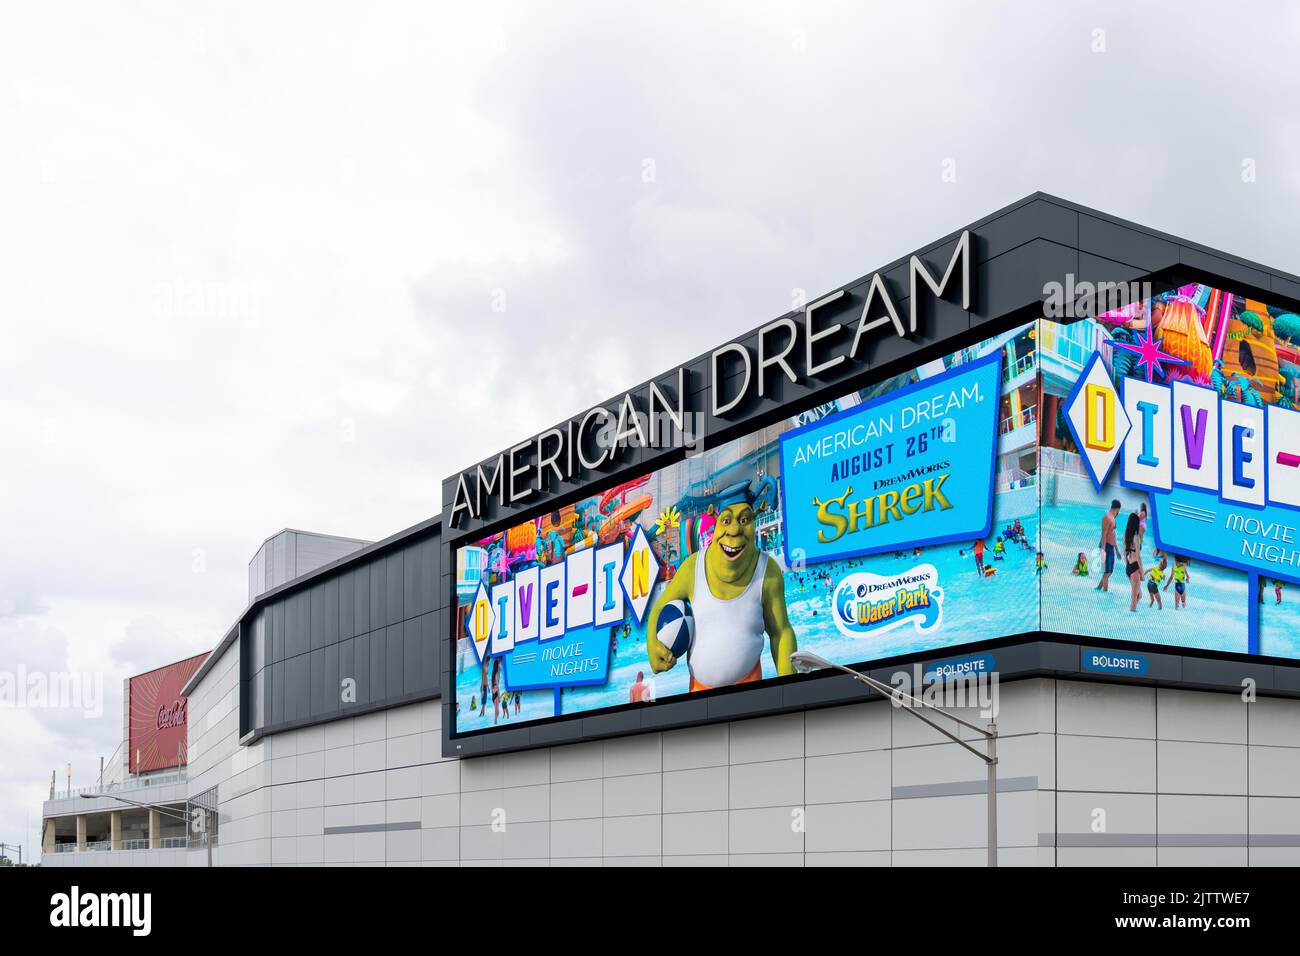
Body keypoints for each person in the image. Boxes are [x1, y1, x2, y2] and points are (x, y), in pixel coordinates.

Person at [1097, 499, 1121, 593]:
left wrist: (1117, 549)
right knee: (1107, 572)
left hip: (1110, 547)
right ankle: (1105, 593)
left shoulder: (1112, 518)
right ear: (1118, 509)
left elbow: (1112, 535)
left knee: (1109, 572)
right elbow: (1104, 535)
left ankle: (1098, 589)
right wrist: (1103, 551)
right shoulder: (1107, 517)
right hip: (1106, 546)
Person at [1123, 511, 1144, 612]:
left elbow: (1124, 554)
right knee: (1134, 599)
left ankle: (1130, 615)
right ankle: (1129, 615)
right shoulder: (1136, 537)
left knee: (1139, 595)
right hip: (1135, 566)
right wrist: (1142, 573)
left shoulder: (1126, 536)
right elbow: (1139, 557)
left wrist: (1127, 567)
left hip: (1129, 566)